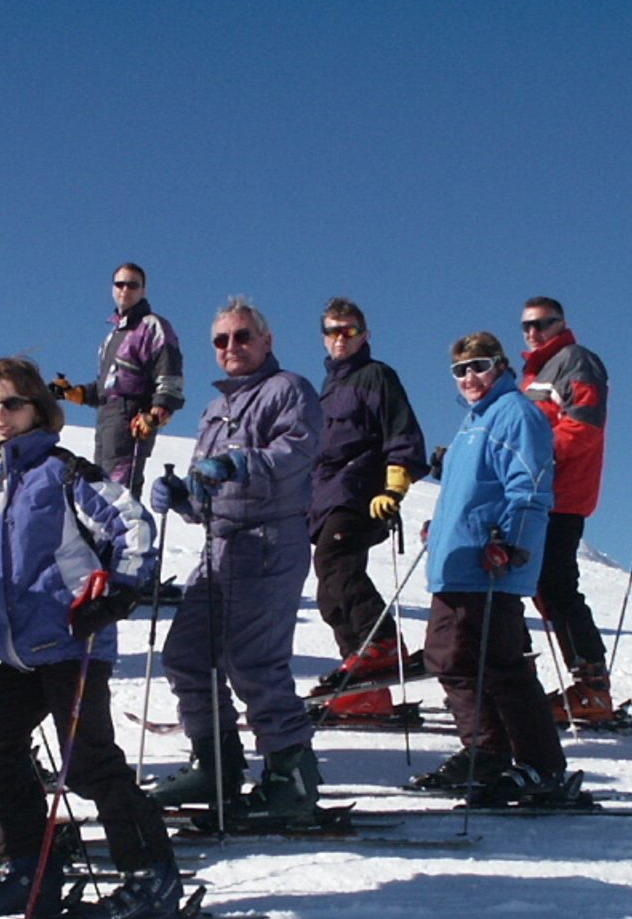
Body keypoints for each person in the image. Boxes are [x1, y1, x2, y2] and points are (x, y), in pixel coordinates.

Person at [0, 359, 180, 919]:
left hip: (73, 644)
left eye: (12, 404)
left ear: (39, 411)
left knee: (89, 765)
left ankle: (151, 878)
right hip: (17, 652)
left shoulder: (63, 471)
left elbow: (131, 524)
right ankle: (33, 871)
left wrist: (115, 595)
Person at [149, 298, 324, 826]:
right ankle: (217, 763)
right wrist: (182, 495)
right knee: (186, 653)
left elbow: (297, 452)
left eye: (242, 336)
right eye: (221, 341)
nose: (231, 347)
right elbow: (210, 493)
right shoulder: (214, 410)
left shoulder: (288, 389)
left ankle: (291, 777)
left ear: (266, 341)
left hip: (269, 538)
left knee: (253, 660)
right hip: (220, 542)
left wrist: (240, 461)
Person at [412, 332, 575, 803]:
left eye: (479, 366)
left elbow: (532, 486)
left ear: (501, 366)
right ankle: (487, 753)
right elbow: (471, 494)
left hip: (489, 565)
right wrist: (439, 528)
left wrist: (513, 543)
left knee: (497, 664)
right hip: (457, 564)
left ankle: (542, 768)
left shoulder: (515, 414)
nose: (469, 378)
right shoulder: (472, 424)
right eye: (460, 370)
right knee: (452, 659)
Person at [305, 297, 429, 719]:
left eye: (349, 330)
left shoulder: (376, 376)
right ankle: (363, 686)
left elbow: (401, 431)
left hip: (361, 491)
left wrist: (395, 485)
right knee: (328, 589)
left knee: (336, 561)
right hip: (326, 498)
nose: (340, 338)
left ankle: (384, 643)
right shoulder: (328, 389)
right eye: (332, 331)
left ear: (364, 335)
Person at [518, 297, 614, 723]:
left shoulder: (575, 360)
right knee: (542, 586)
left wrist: (529, 456)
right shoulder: (535, 373)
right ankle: (563, 684)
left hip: (561, 495)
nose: (534, 332)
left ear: (562, 323)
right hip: (539, 494)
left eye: (542, 324)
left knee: (556, 586)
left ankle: (593, 689)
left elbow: (583, 426)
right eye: (527, 326)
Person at [50, 263, 185, 496]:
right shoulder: (112, 337)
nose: (125, 289)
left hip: (131, 418)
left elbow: (169, 373)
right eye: (120, 284)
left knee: (119, 494)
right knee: (100, 490)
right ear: (112, 289)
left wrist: (156, 413)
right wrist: (75, 393)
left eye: (133, 285)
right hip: (106, 420)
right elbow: (107, 386)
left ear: (143, 290)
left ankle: (125, 531)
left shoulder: (153, 327)